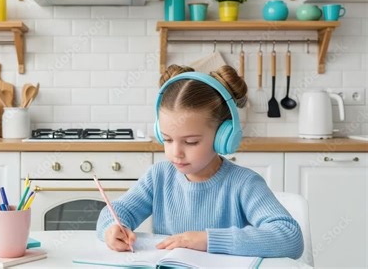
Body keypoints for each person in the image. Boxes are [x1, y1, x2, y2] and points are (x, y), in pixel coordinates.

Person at [96, 64, 303, 259]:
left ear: (224, 136)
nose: (176, 153)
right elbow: (117, 211)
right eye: (167, 139)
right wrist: (112, 228)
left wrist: (209, 240)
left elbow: (290, 238)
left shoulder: (244, 183)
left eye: (191, 142)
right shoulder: (158, 176)